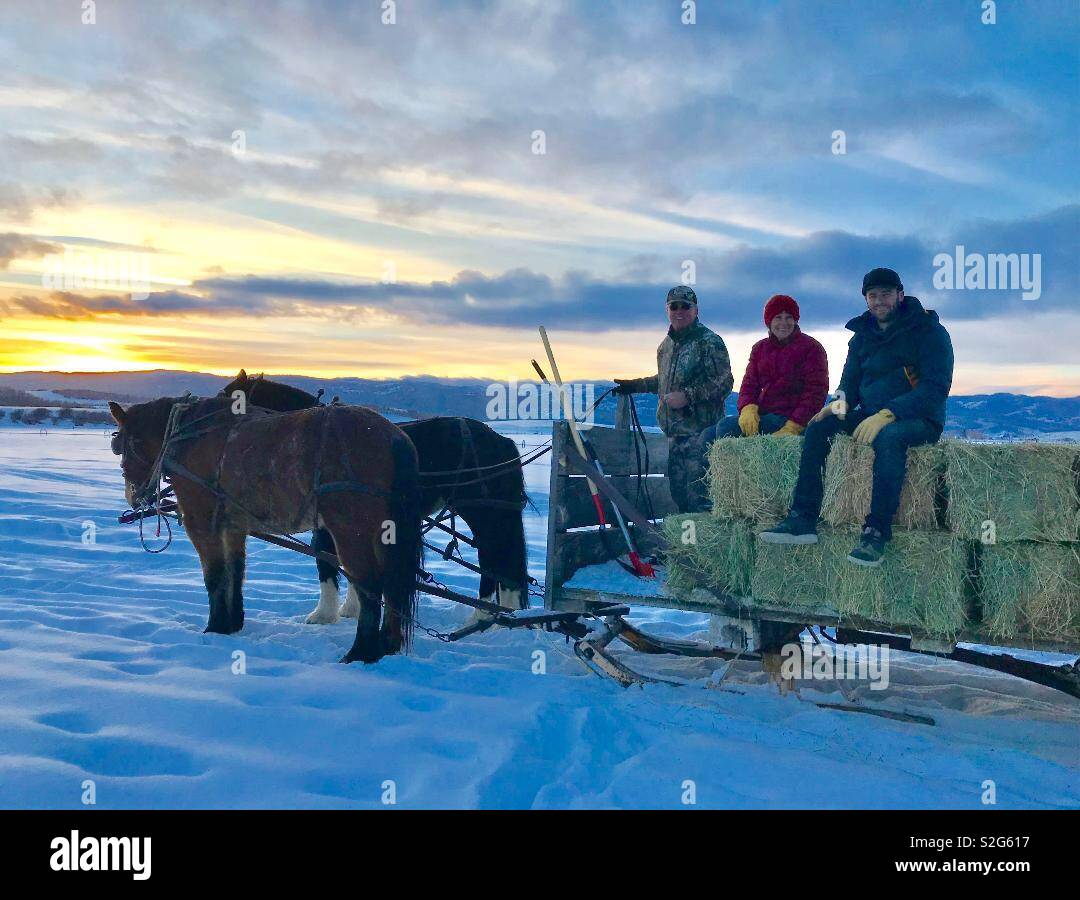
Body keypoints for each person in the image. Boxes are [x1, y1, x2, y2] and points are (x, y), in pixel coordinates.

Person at [758, 268, 954, 566]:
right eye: (872, 296)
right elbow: (848, 382)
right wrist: (836, 404)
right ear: (866, 300)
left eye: (886, 294)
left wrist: (891, 413)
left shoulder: (928, 331)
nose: (879, 301)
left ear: (900, 295)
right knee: (819, 425)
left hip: (919, 418)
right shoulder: (863, 335)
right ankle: (802, 518)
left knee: (889, 439)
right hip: (871, 414)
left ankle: (876, 533)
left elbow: (935, 388)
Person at [614, 285, 733, 513]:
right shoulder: (665, 347)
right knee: (680, 499)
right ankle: (687, 548)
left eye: (685, 306)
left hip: (701, 435)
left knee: (702, 500)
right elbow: (666, 381)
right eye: (674, 306)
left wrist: (687, 397)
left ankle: (703, 548)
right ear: (667, 310)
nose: (680, 311)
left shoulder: (709, 342)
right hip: (673, 437)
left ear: (696, 310)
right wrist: (635, 385)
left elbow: (724, 382)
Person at [700, 294, 829, 443]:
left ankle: (742, 466)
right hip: (765, 415)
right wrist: (748, 408)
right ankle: (714, 467)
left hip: (791, 417)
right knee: (707, 436)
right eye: (778, 317)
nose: (784, 323)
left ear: (795, 320)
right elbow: (749, 385)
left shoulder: (811, 348)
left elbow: (816, 392)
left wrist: (793, 426)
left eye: (788, 317)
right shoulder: (760, 348)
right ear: (769, 321)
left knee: (725, 427)